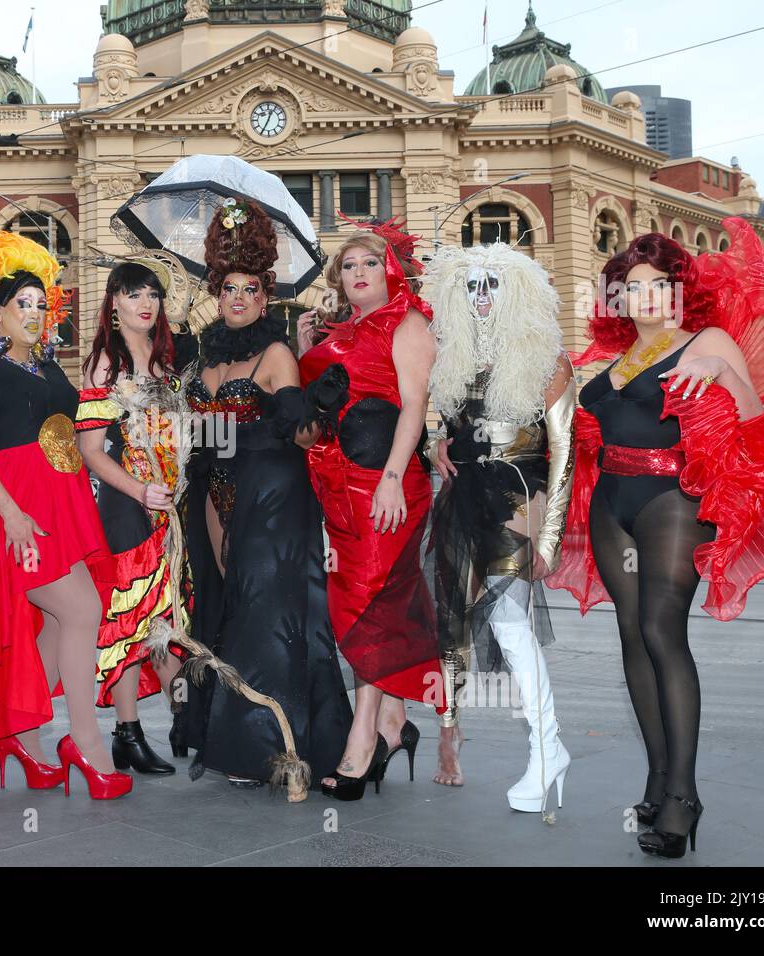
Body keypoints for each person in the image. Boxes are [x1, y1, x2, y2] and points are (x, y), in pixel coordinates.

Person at [549, 219, 764, 857]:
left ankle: (682, 796)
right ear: (614, 297)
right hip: (612, 504)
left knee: (659, 631)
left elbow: (758, 424)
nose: (642, 295)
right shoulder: (610, 362)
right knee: (630, 637)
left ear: (678, 292)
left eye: (657, 283)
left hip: (674, 500)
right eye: (628, 285)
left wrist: (722, 374)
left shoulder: (706, 339)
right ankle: (657, 777)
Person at [0, 230, 132, 799]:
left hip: (60, 507)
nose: (37, 313)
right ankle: (86, 746)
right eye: (24, 304)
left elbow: (72, 435)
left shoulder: (49, 370)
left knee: (52, 624)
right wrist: (12, 515)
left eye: (44, 305)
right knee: (84, 610)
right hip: (14, 513)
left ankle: (22, 737)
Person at [180, 198, 352, 787]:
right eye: (227, 288)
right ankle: (261, 740)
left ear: (263, 296)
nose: (237, 298)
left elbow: (302, 436)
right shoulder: (201, 368)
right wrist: (212, 521)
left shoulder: (277, 354)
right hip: (222, 503)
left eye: (248, 289)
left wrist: (320, 399)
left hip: (277, 500)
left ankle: (271, 747)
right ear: (216, 293)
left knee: (267, 619)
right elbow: (204, 457)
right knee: (233, 616)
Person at [423, 241, 576, 812]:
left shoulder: (548, 358)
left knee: (511, 622)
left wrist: (551, 536)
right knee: (456, 620)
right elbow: (452, 426)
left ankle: (546, 750)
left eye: (494, 284)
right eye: (471, 286)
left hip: (520, 493)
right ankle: (541, 751)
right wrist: (441, 440)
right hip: (463, 497)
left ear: (517, 292)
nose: (482, 296)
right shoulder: (453, 358)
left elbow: (564, 451)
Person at [297, 222, 442, 799]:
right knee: (355, 604)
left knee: (370, 608)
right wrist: (310, 349)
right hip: (337, 485)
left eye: (367, 264)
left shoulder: (407, 325)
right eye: (348, 266)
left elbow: (414, 410)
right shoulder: (340, 331)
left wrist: (390, 482)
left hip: (388, 485)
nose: (357, 274)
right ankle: (392, 723)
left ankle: (362, 740)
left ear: (389, 272)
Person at [75, 257, 190, 775]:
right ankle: (127, 733)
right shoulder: (107, 362)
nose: (147, 304)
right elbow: (90, 449)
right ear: (115, 302)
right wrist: (140, 490)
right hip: (128, 505)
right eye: (135, 294)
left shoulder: (167, 360)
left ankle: (186, 719)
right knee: (131, 618)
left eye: (153, 295)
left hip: (171, 507)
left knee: (166, 620)